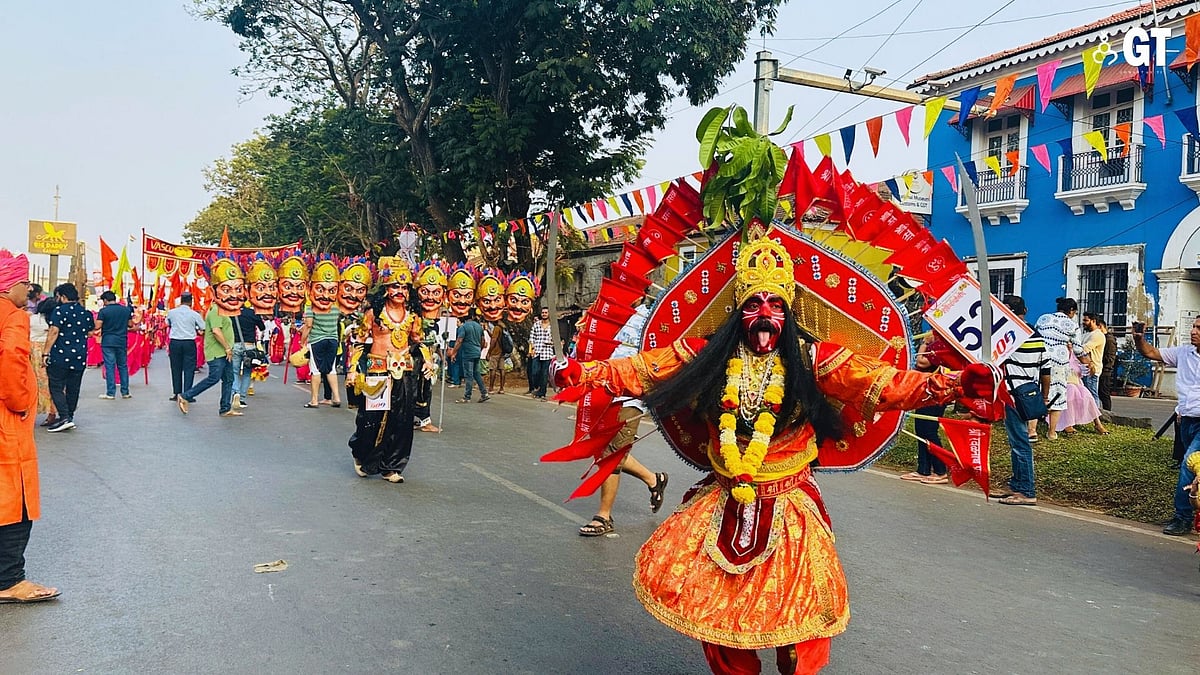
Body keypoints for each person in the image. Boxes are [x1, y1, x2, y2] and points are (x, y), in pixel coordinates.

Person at [552, 235, 999, 673]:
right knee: (718, 615)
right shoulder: (707, 354)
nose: (765, 315)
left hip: (790, 504)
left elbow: (883, 383)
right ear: (737, 313)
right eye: (754, 304)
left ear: (789, 312)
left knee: (800, 624)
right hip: (724, 497)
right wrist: (584, 373)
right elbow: (642, 370)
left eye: (775, 306)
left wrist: (955, 383)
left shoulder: (813, 357)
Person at [577, 303, 669, 537]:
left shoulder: (654, 316)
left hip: (631, 395)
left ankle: (603, 516)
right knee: (604, 449)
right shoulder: (607, 312)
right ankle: (653, 479)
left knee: (612, 454)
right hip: (601, 390)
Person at [0, 250, 59, 604]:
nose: (28, 291)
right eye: (24, 283)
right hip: (7, 424)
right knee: (16, 502)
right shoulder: (13, 317)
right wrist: (24, 403)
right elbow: (11, 365)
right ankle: (10, 579)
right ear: (9, 285)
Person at [346, 256, 428, 483]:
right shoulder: (373, 314)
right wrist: (353, 369)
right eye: (395, 286)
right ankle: (362, 455)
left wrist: (429, 361)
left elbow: (418, 342)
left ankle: (392, 466)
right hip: (378, 370)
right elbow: (360, 342)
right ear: (386, 289)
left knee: (401, 421)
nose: (399, 291)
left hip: (403, 372)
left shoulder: (413, 316)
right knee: (371, 419)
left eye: (404, 287)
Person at [1131, 317, 1200, 536]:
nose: (1194, 331)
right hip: (1186, 421)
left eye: (1199, 328)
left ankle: (1183, 517)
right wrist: (1139, 339)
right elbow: (1151, 353)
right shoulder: (1184, 353)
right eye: (1194, 327)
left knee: (1189, 466)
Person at [990, 295, 1050, 506]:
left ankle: (1026, 490)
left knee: (1020, 443)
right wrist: (1044, 395)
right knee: (1018, 440)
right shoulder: (1036, 334)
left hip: (1014, 394)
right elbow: (1046, 369)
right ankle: (1016, 484)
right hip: (1029, 392)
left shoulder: (1011, 336)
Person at [178, 256, 242, 417]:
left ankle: (225, 408)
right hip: (217, 352)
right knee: (214, 378)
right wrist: (227, 347)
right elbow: (216, 330)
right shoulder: (215, 311)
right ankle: (186, 396)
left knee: (228, 380)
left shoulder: (224, 310)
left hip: (226, 352)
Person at [899, 333, 949, 485]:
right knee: (920, 429)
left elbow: (921, 362)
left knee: (928, 431)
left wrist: (924, 344)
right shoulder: (937, 344)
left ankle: (940, 471)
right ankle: (923, 469)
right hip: (925, 391)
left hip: (937, 392)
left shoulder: (943, 346)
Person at [1034, 297, 1087, 441]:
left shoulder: (1043, 318)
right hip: (1058, 363)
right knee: (1057, 395)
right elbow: (1078, 349)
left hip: (1038, 360)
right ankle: (1051, 432)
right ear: (1071, 311)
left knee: (1036, 394)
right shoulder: (1072, 325)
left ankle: (1031, 431)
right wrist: (1088, 362)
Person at [44, 282, 94, 432]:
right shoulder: (86, 313)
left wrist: (46, 352)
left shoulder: (60, 311)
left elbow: (54, 331)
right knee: (74, 388)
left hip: (61, 355)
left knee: (56, 386)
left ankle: (64, 416)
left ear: (63, 297)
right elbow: (90, 331)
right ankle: (69, 417)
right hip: (79, 356)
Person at [300, 258, 343, 409]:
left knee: (316, 370)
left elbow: (308, 325)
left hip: (317, 339)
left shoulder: (310, 305)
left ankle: (314, 400)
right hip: (333, 340)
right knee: (330, 368)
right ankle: (336, 398)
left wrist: (302, 340)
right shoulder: (336, 305)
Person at [1056, 353, 1108, 436]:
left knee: (1087, 394)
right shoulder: (1058, 352)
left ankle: (1098, 424)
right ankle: (1068, 423)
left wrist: (1090, 365)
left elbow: (1085, 370)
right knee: (1071, 391)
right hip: (1061, 385)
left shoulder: (1077, 355)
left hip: (1076, 383)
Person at [94, 290, 133, 400]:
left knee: (110, 366)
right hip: (121, 341)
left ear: (106, 300)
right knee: (123, 366)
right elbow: (130, 324)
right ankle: (125, 392)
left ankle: (110, 393)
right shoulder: (126, 310)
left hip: (108, 341)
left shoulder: (103, 311)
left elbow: (97, 326)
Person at [166, 293, 205, 402]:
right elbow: (203, 327)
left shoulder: (172, 312)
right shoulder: (194, 314)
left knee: (175, 368)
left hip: (175, 342)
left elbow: (167, 323)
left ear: (181, 301)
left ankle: (176, 393)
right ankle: (187, 394)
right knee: (189, 369)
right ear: (191, 302)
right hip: (189, 342)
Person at [449, 309, 488, 403]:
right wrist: (480, 349)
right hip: (477, 352)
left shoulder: (464, 327)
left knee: (468, 375)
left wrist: (454, 352)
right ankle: (484, 393)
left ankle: (467, 396)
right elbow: (483, 340)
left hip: (468, 353)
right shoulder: (479, 327)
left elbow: (459, 340)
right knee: (476, 373)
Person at [230, 304, 265, 410]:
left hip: (234, 344)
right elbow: (262, 327)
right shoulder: (252, 312)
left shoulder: (231, 313)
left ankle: (235, 392)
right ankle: (242, 398)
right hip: (249, 346)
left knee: (234, 371)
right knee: (247, 372)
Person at [29, 298, 57, 427]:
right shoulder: (53, 321)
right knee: (51, 382)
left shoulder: (33, 319)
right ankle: (52, 412)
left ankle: (33, 410)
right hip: (50, 350)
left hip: (34, 352)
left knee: (35, 382)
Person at [528, 307, 555, 400]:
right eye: (543, 312)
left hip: (547, 353)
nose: (544, 314)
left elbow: (556, 339)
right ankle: (537, 387)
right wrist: (531, 349)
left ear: (549, 314)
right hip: (537, 351)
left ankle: (542, 393)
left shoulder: (553, 326)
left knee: (544, 374)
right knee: (534, 372)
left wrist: (551, 343)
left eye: (546, 312)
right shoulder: (536, 325)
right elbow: (531, 338)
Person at [1079, 312, 1105, 407]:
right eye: (1083, 320)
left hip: (1092, 370)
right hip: (1083, 369)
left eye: (1086, 320)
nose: (1083, 322)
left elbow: (1084, 348)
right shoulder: (1086, 334)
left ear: (1093, 321)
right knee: (1084, 394)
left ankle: (1096, 416)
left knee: (1092, 394)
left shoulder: (1098, 335)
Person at [1097, 317, 1117, 412]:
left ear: (1100, 326)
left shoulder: (1109, 339)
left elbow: (1110, 357)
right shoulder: (1104, 338)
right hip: (1102, 369)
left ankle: (1108, 414)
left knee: (1104, 394)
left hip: (1105, 371)